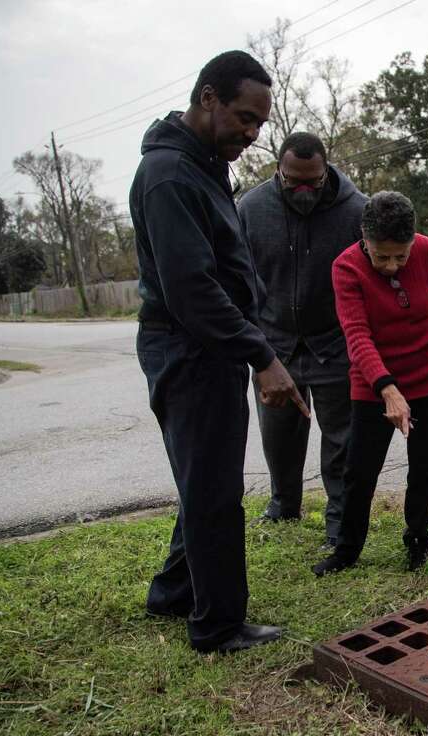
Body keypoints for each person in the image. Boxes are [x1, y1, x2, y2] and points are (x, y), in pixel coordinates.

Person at [131, 50, 308, 654]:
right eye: (243, 117)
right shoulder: (171, 176)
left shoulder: (202, 165)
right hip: (191, 348)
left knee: (203, 478)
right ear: (208, 98)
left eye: (261, 123)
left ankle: (173, 592)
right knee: (212, 490)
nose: (252, 134)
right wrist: (261, 355)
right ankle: (217, 626)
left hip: (211, 345)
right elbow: (191, 289)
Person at [311, 191, 428, 576]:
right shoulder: (345, 268)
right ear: (364, 239)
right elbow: (357, 335)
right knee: (359, 470)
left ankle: (418, 540)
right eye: (382, 256)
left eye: (402, 255)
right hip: (373, 382)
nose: (392, 265)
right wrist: (387, 388)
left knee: (427, 466)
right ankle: (347, 549)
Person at [238, 132, 366, 548]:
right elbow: (238, 279)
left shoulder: (356, 210)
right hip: (275, 345)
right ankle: (283, 503)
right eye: (295, 182)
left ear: (327, 169)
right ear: (279, 171)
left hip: (335, 344)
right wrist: (254, 345)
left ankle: (339, 520)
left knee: (342, 441)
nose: (305, 191)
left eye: (314, 181)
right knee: (279, 436)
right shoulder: (252, 209)